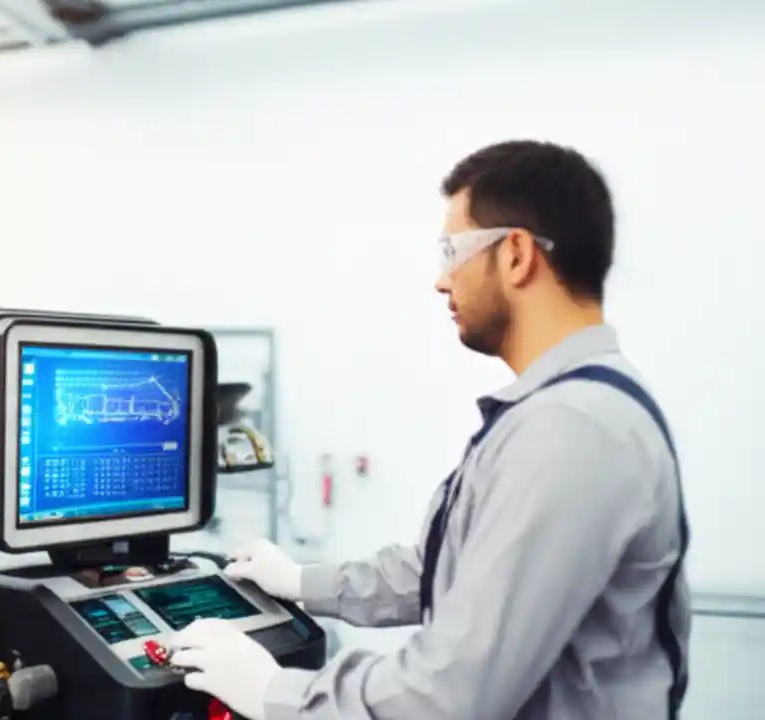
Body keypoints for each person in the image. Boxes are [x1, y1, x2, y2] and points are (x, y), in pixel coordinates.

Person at [169, 140, 691, 719]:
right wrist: (300, 581)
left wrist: (274, 692)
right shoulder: (559, 411)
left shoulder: (571, 430)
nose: (441, 281)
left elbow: (447, 697)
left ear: (516, 253)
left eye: (452, 250)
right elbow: (452, 570)